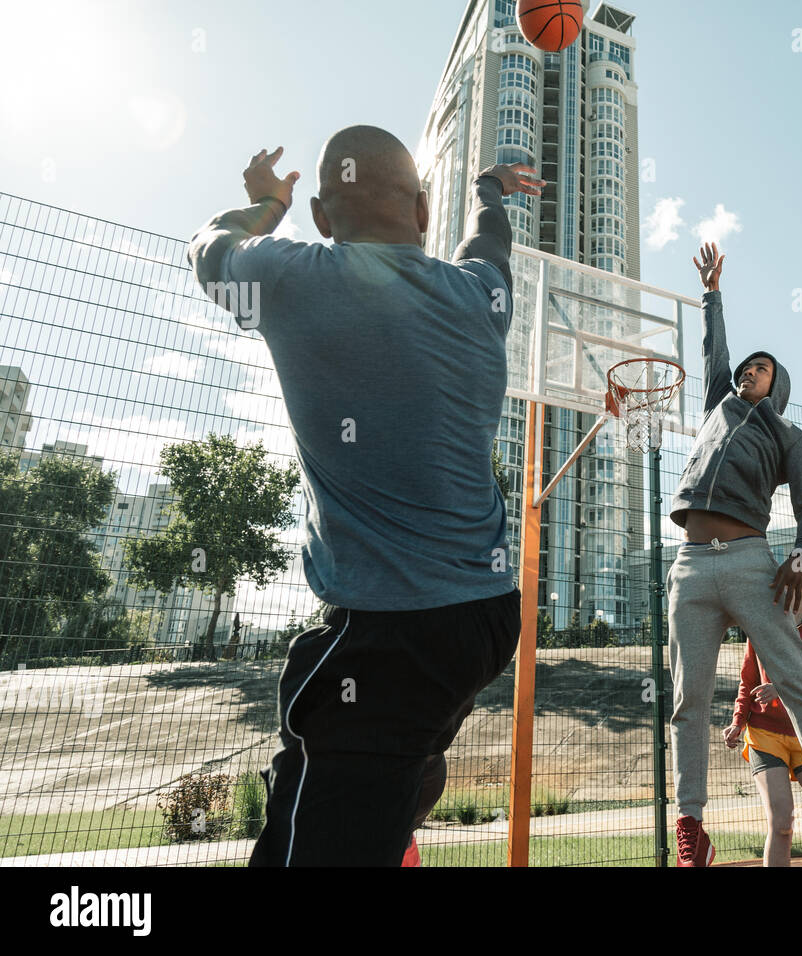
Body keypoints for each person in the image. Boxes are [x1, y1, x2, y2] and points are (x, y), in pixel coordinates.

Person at [187, 126, 544, 865]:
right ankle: (400, 791)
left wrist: (261, 206)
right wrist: (488, 193)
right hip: (485, 616)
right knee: (389, 750)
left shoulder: (292, 275)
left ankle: (384, 802)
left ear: (323, 216)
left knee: (316, 833)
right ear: (421, 211)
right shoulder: (482, 297)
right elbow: (490, 245)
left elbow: (207, 247)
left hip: (390, 632)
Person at [667, 242, 802, 867]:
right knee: (686, 701)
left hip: (753, 559)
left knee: (798, 685)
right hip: (690, 565)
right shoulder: (717, 408)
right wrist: (712, 294)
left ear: (776, 387)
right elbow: (715, 354)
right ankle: (691, 826)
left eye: (759, 369)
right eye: (745, 367)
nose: (746, 372)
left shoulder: (787, 434)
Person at [725, 569, 802, 866]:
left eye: (793, 590)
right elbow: (747, 680)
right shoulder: (761, 627)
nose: (785, 595)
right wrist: (738, 721)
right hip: (765, 734)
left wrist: (781, 689)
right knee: (782, 822)